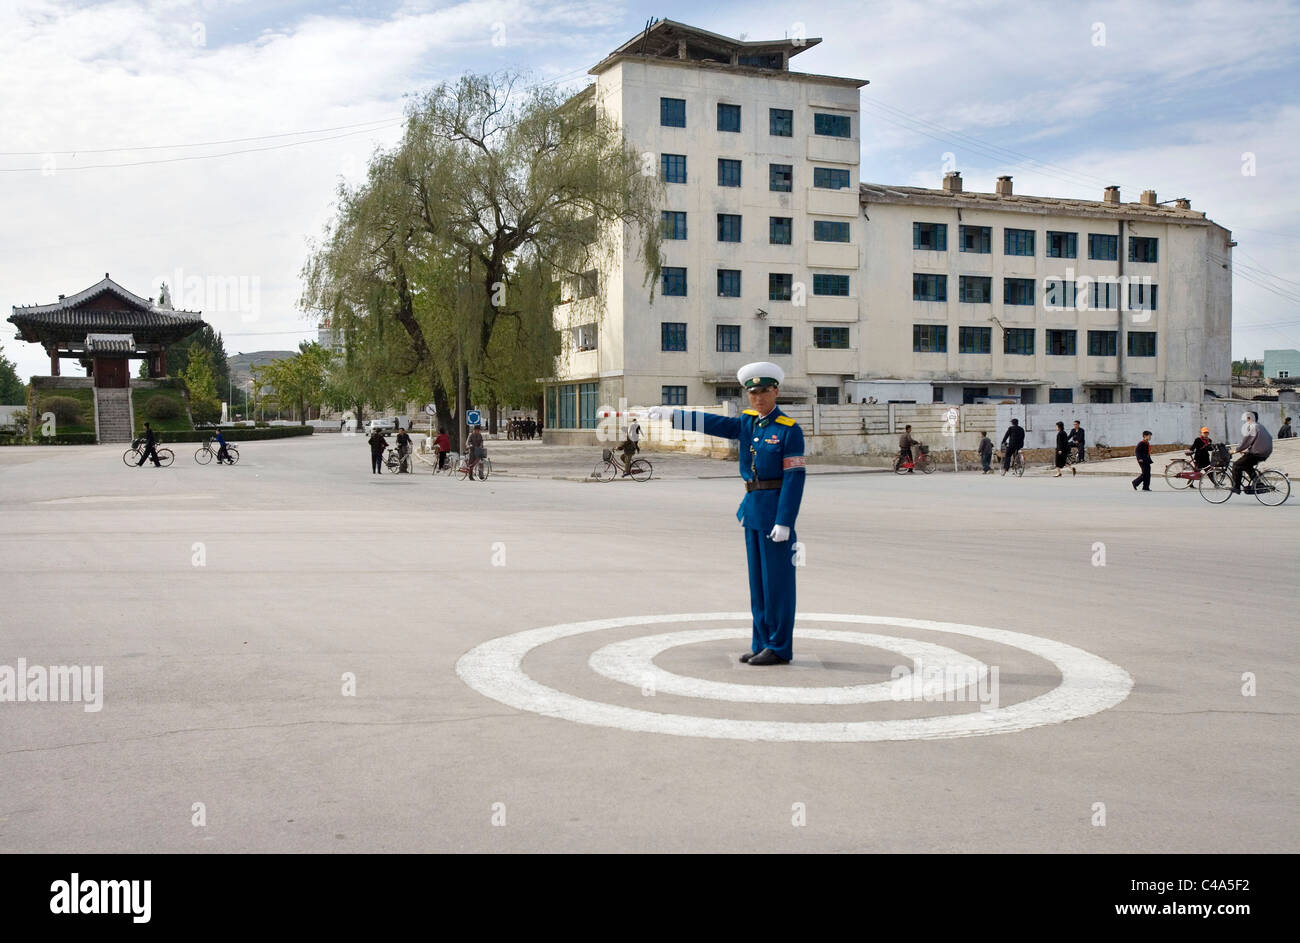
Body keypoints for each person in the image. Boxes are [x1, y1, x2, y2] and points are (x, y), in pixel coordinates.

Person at [647, 361, 806, 667]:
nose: (757, 398)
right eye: (752, 393)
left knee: (778, 585)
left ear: (776, 391)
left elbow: (795, 478)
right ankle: (761, 642)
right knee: (758, 584)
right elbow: (716, 424)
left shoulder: (789, 430)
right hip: (752, 510)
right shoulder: (749, 423)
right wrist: (674, 414)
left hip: (775, 514)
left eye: (763, 392)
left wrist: (785, 521)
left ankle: (780, 646)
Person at [1231, 411, 1273, 494]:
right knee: (1246, 464)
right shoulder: (1260, 426)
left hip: (1258, 453)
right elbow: (1256, 441)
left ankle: (1236, 487)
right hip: (1265, 452)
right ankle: (1258, 483)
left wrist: (1236, 450)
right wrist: (1247, 450)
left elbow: (1246, 441)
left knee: (1236, 465)